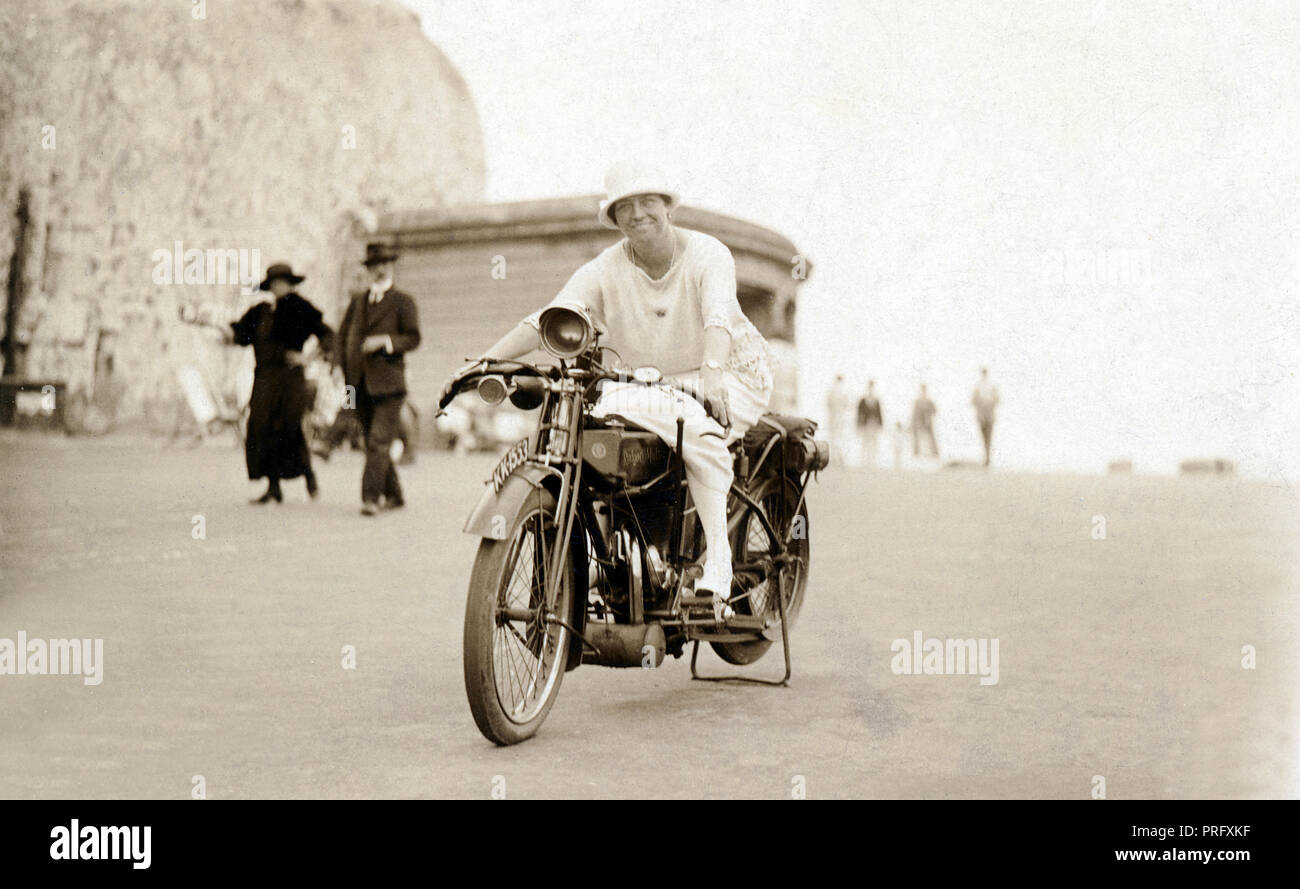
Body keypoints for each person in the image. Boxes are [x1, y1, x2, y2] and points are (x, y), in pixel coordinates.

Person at [442, 161, 774, 621]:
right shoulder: (607, 267)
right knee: (601, 419)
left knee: (691, 429)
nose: (638, 214)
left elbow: (718, 319)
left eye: (647, 203)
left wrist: (714, 375)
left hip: (729, 374)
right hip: (652, 382)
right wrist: (484, 363)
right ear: (614, 217)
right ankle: (626, 556)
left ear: (667, 207)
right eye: (625, 207)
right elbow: (548, 317)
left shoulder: (708, 254)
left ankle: (717, 564)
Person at [229, 263, 333, 504]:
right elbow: (239, 335)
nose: (278, 287)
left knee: (288, 428)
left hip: (290, 380)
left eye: (282, 282)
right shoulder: (261, 312)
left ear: (290, 284)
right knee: (260, 427)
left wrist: (307, 357)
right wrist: (216, 327)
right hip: (264, 379)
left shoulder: (300, 308)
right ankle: (273, 486)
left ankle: (308, 474)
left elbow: (328, 335)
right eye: (274, 283)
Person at [338, 243, 422, 516]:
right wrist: (340, 371)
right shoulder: (358, 302)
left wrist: (384, 342)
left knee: (378, 441)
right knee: (371, 443)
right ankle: (395, 495)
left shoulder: (403, 301)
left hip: (390, 386)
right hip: (358, 384)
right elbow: (343, 338)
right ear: (369, 270)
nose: (380, 269)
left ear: (391, 267)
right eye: (374, 265)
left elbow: (413, 338)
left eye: (384, 264)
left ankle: (371, 498)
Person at [971, 367, 1000, 467]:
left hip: (989, 415)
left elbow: (997, 400)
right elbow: (973, 401)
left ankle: (988, 458)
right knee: (983, 437)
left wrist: (988, 403)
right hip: (982, 416)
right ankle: (986, 457)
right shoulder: (978, 387)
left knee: (989, 437)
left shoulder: (992, 387)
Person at [826, 373, 856, 467]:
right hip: (835, 419)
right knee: (835, 439)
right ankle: (835, 458)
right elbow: (830, 405)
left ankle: (838, 458)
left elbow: (847, 405)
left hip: (839, 419)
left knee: (838, 439)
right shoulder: (835, 392)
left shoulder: (840, 392)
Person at [856, 379, 883, 467]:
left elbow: (879, 414)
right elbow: (859, 414)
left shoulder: (876, 400)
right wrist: (858, 425)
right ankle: (864, 461)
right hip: (866, 425)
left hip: (873, 425)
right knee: (865, 442)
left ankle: (872, 461)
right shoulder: (863, 400)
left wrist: (880, 425)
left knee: (874, 443)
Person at [911, 383, 939, 459]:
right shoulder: (918, 401)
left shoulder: (929, 401)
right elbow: (914, 414)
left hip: (927, 424)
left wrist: (928, 414)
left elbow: (934, 410)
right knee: (920, 440)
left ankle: (932, 455)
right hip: (919, 424)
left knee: (929, 440)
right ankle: (919, 455)